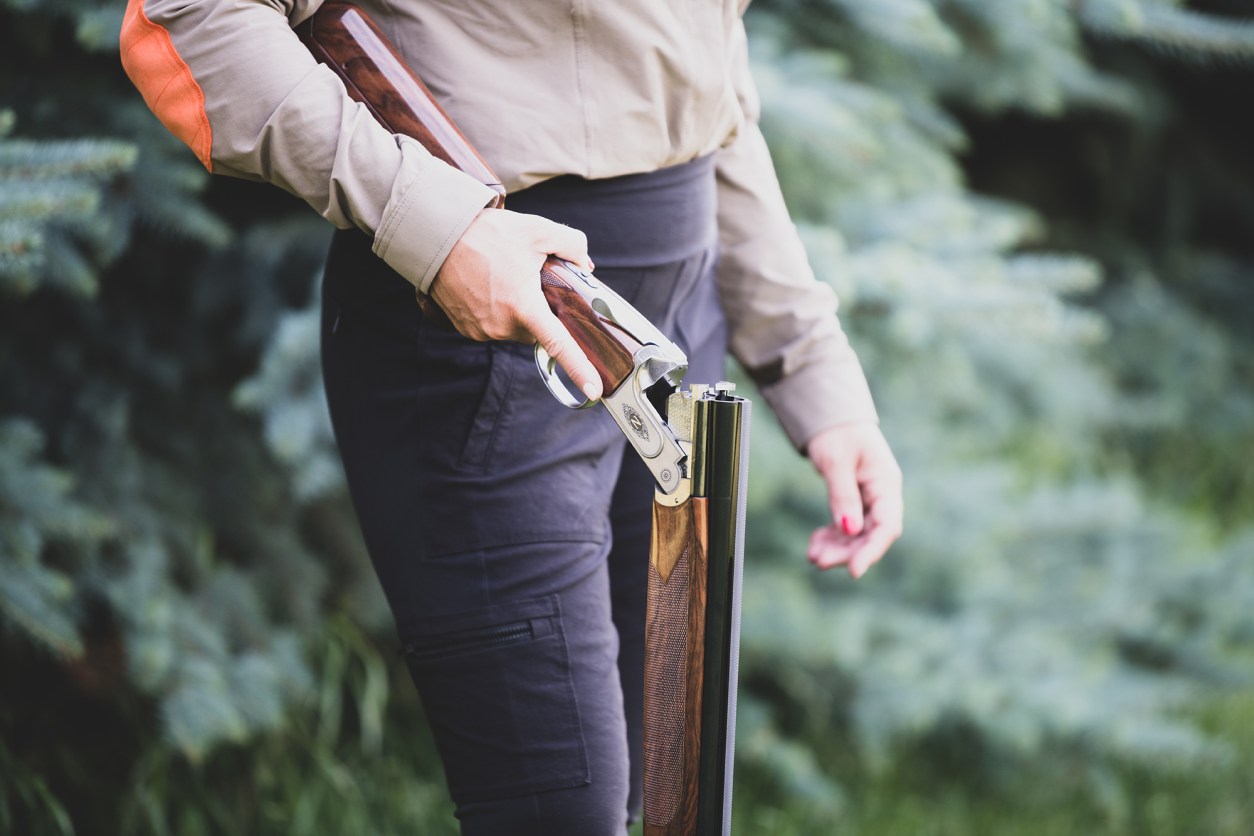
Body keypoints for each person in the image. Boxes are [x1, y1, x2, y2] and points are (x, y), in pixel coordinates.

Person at [120, 0, 904, 832]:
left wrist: (816, 371)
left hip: (674, 337)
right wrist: (441, 232)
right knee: (559, 813)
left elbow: (709, 79)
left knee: (669, 798)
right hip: (479, 340)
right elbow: (189, 16)